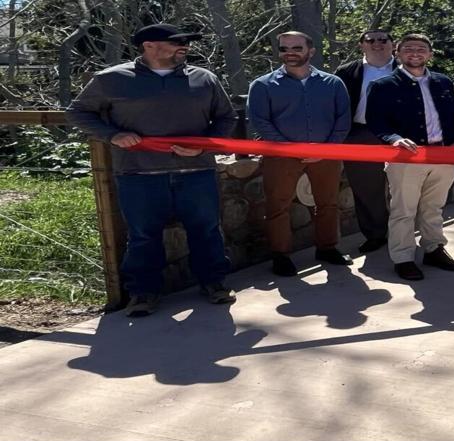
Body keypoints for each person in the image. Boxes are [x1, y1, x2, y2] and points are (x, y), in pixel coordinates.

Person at [67, 22, 236, 316]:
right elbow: (78, 112)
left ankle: (214, 283)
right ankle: (144, 293)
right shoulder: (111, 79)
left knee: (206, 230)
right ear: (149, 46)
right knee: (143, 235)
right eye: (175, 42)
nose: (184, 47)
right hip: (138, 174)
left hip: (196, 171)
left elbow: (226, 118)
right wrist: (112, 135)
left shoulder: (204, 78)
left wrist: (204, 146)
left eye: (184, 42)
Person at [247, 30, 353, 277]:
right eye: (284, 49)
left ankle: (327, 248)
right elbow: (260, 121)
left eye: (296, 48)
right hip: (281, 156)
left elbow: (343, 119)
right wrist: (289, 149)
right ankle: (281, 255)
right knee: (277, 205)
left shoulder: (333, 83)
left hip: (325, 154)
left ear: (311, 51)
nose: (289, 53)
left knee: (328, 202)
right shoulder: (262, 85)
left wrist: (326, 149)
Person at [366, 32, 454, 281]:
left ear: (430, 54)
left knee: (433, 207)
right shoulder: (382, 86)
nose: (415, 53)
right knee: (403, 209)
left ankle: (434, 249)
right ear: (398, 53)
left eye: (421, 48)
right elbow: (376, 121)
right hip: (406, 157)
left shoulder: (443, 82)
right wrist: (393, 139)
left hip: (443, 154)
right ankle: (403, 258)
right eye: (409, 48)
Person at [334, 28, 398, 254]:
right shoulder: (346, 71)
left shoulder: (406, 68)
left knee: (407, 188)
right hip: (360, 135)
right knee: (366, 191)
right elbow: (335, 105)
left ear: (393, 44)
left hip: (401, 137)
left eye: (383, 39)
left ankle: (407, 233)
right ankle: (375, 234)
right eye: (370, 40)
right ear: (362, 45)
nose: (377, 43)